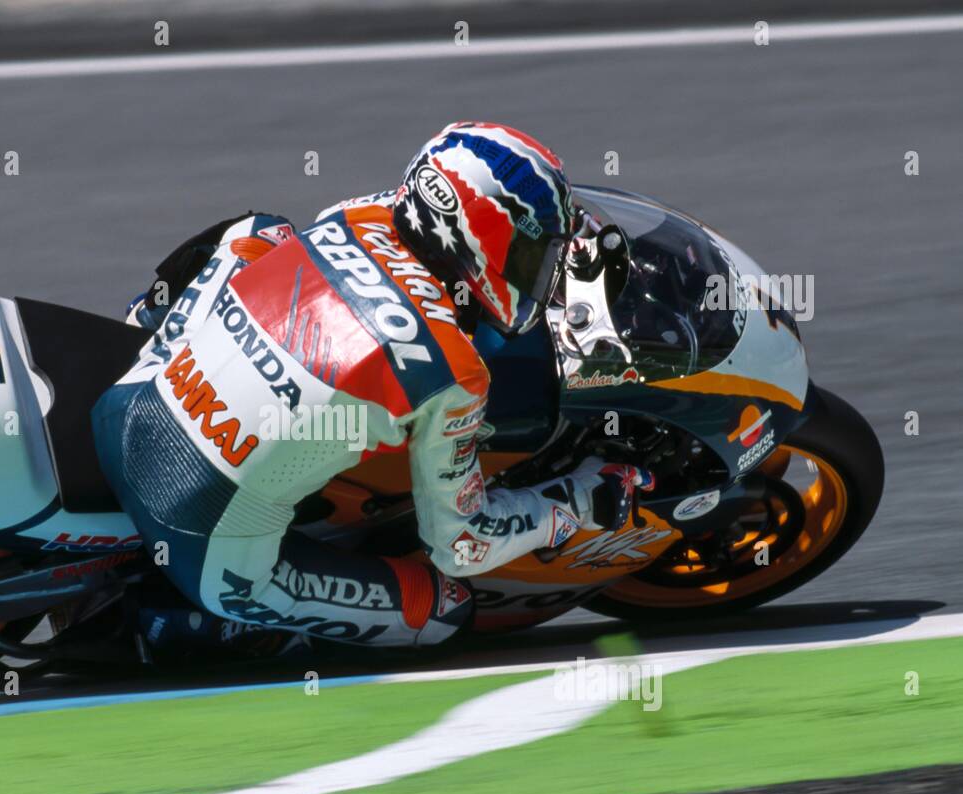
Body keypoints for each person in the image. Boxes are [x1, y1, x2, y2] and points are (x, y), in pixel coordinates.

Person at [93, 121, 652, 659]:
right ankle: (195, 628)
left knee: (261, 230)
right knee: (441, 609)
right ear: (476, 241)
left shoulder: (358, 214)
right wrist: (577, 500)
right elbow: (462, 545)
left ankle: (146, 318)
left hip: (129, 401)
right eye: (532, 258)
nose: (540, 275)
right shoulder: (452, 372)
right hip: (202, 537)